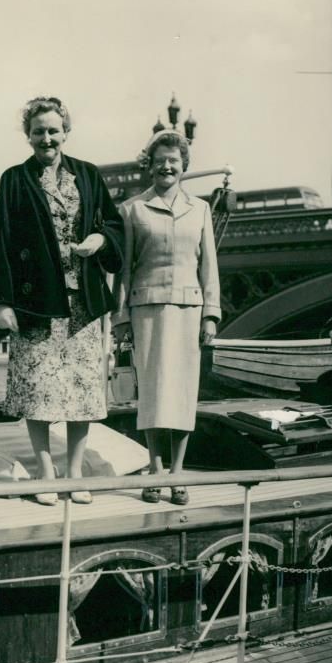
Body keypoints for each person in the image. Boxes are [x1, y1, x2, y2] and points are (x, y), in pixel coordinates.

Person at [0, 96, 124, 505]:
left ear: (66, 132)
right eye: (39, 131)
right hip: (36, 301)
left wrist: (100, 239)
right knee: (38, 390)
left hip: (82, 301)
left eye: (54, 131)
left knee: (81, 393)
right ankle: (46, 474)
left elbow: (113, 225)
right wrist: (3, 302)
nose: (47, 139)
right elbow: (3, 241)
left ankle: (75, 474)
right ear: (28, 135)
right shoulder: (13, 179)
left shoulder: (89, 175)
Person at [112, 130, 221, 505]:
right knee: (153, 394)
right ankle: (155, 472)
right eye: (160, 161)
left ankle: (178, 474)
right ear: (150, 166)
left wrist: (211, 314)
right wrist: (120, 318)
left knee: (183, 394)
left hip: (189, 311)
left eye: (173, 160)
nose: (167, 166)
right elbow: (124, 270)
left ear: (183, 165)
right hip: (146, 310)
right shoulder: (132, 210)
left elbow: (209, 267)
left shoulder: (201, 209)